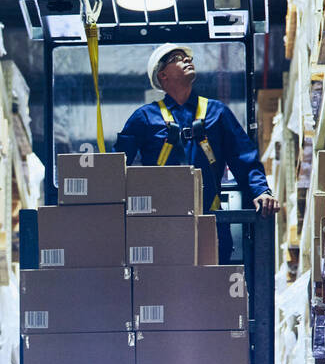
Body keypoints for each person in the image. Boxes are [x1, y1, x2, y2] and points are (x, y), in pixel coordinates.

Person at [114, 43, 281, 263]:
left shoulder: (217, 113)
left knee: (212, 289)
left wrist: (261, 191)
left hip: (211, 221)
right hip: (161, 224)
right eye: (177, 58)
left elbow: (245, 160)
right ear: (162, 75)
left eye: (187, 57)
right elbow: (116, 167)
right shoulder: (144, 118)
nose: (187, 60)